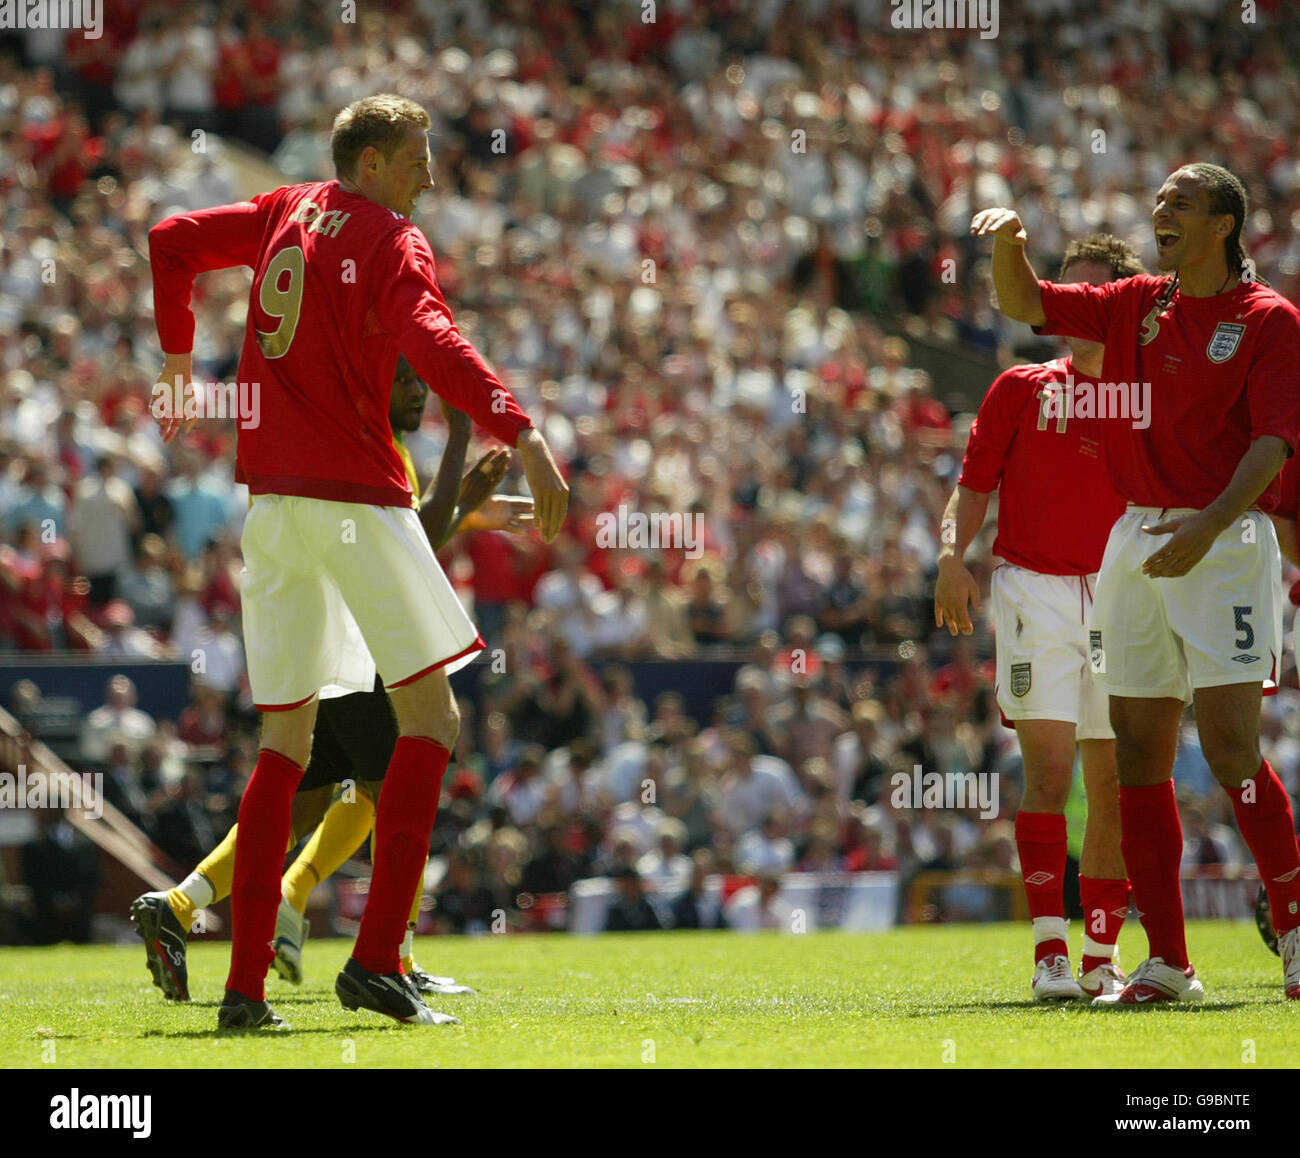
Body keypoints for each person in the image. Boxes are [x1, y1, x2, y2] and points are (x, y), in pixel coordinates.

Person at [147, 93, 567, 1029]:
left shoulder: (278, 211)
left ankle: (245, 994)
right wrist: (522, 429)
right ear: (370, 162)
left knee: (284, 747)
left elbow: (169, 239)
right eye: (417, 154)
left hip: (272, 509)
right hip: (353, 496)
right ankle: (378, 960)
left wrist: (179, 367)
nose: (430, 171)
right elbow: (434, 341)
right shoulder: (389, 237)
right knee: (432, 719)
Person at [974, 162, 1300, 1003]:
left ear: (1223, 224)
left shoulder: (1268, 320)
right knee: (1138, 759)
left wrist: (1209, 525)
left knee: (1230, 752)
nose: (1163, 210)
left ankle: (1296, 934)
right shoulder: (1137, 303)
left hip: (1224, 540)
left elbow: (1274, 443)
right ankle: (1169, 963)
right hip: (1135, 540)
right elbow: (1027, 303)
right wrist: (1009, 243)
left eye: (1182, 202)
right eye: (1160, 199)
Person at [131, 356, 534, 1008]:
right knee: (390, 784)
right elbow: (413, 538)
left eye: (420, 384)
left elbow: (404, 531)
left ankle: (181, 904)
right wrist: (461, 450)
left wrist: (469, 509)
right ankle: (390, 956)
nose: (416, 394)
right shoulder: (376, 447)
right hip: (364, 647)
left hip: (325, 639)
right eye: (405, 381)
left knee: (305, 801)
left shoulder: (356, 442)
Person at [935, 233, 1144, 1002]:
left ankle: (1101, 956)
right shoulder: (1020, 386)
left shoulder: (1144, 394)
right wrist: (951, 552)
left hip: (1123, 594)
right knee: (1050, 773)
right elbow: (972, 482)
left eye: (1089, 293)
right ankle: (1047, 952)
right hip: (1034, 589)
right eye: (1064, 289)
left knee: (1116, 781)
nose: (1070, 305)